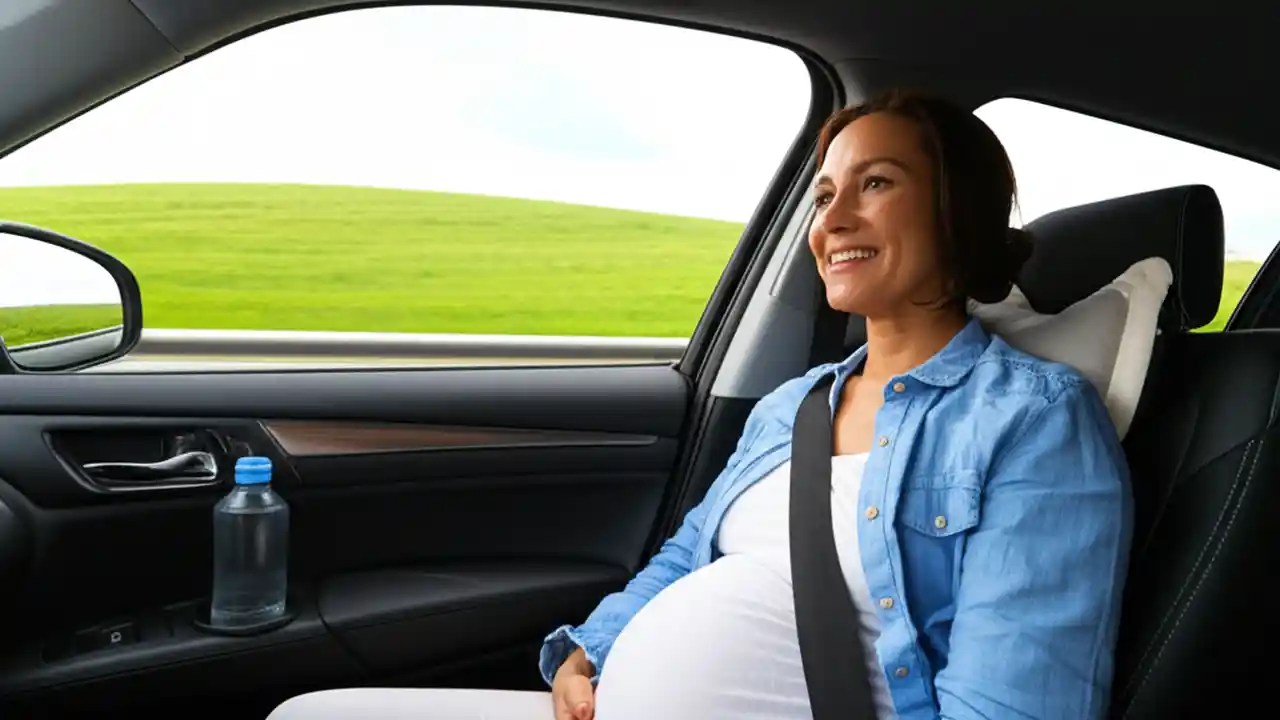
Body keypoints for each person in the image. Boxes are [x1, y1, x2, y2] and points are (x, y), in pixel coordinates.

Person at [267, 90, 1132, 720]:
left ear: (957, 210)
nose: (830, 220)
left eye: (875, 184)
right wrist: (587, 651)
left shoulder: (1033, 422)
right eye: (825, 195)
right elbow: (687, 555)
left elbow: (1013, 705)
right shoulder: (795, 404)